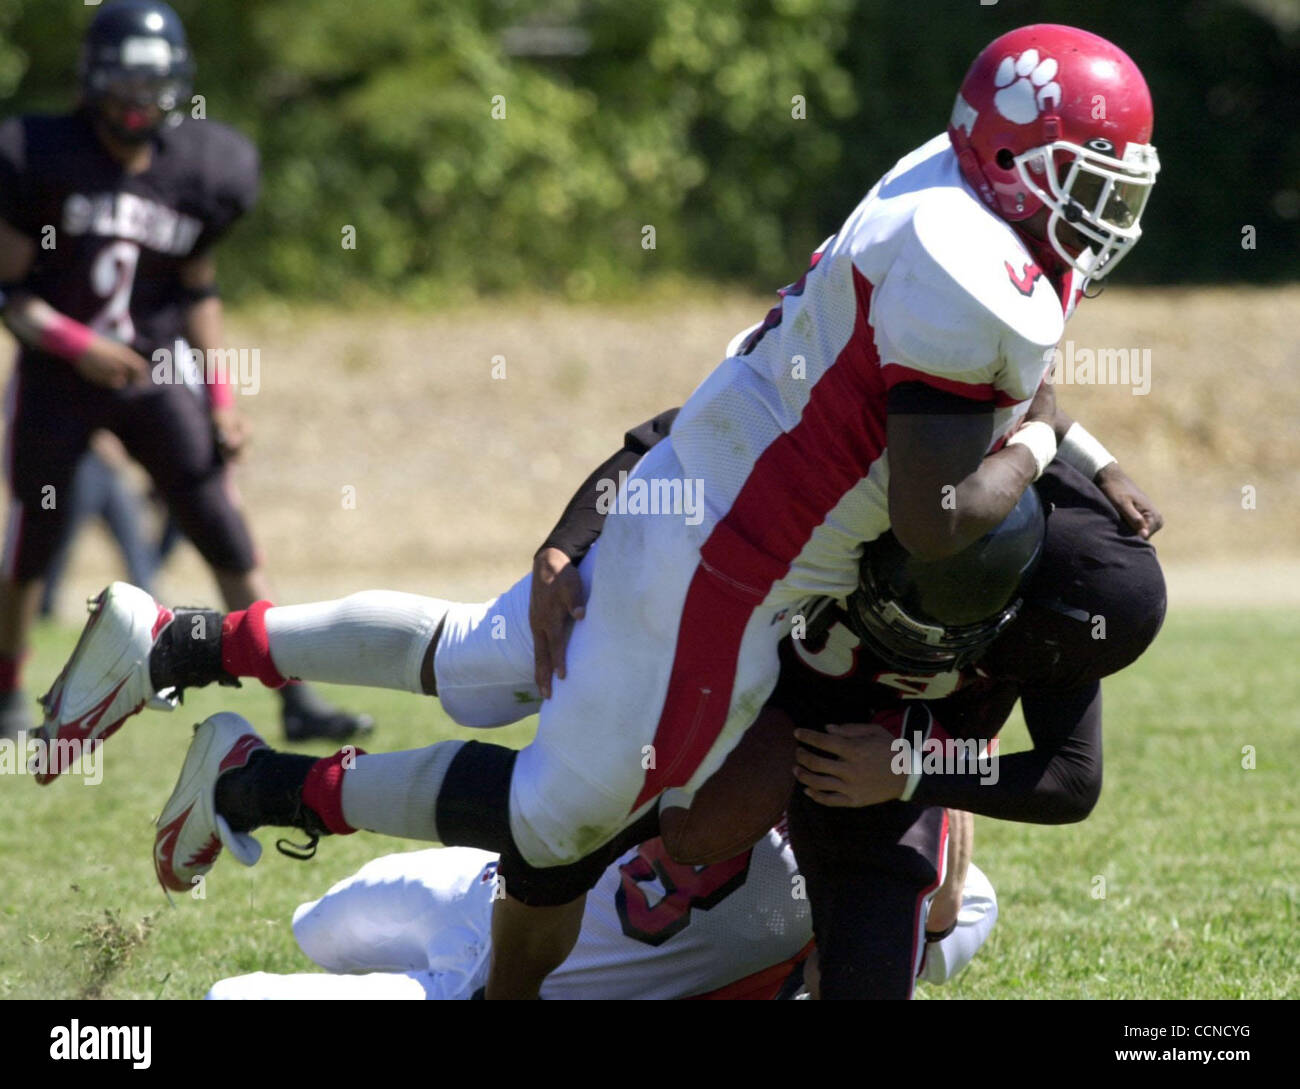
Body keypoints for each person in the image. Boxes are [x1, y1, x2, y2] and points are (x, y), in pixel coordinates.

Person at [45, 22, 1163, 997]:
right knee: (555, 828)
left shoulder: (954, 203)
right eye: (1086, 175)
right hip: (733, 568)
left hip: (712, 489)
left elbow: (1001, 387)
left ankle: (185, 648)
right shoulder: (969, 307)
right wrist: (1044, 443)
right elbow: (937, 515)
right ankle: (271, 787)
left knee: (486, 661)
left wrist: (924, 762)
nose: (1104, 208)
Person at [0, 0, 369, 742]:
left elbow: (198, 286)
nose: (140, 101)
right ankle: (8, 691)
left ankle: (293, 694)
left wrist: (222, 397)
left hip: (156, 368)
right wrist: (80, 345)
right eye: (127, 82)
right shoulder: (34, 152)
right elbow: (10, 292)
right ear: (94, 80)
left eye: (153, 83)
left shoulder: (205, 165)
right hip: (59, 373)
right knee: (34, 533)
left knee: (220, 522)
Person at [203, 812, 996, 1000]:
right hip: (483, 892)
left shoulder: (729, 708)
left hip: (505, 954)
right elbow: (941, 912)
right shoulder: (870, 864)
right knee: (314, 927)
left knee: (237, 991)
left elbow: (943, 911)